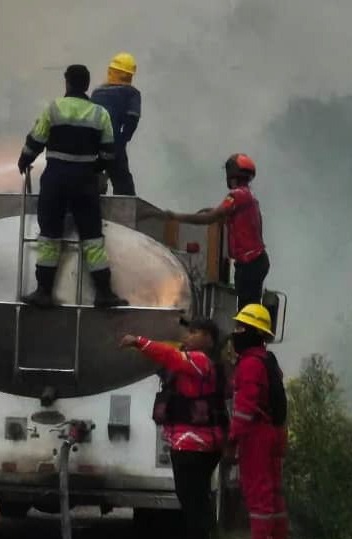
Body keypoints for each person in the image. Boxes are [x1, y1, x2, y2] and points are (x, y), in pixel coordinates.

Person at [17, 64, 128, 309]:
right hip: (85, 182)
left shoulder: (54, 109)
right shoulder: (100, 115)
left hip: (55, 180)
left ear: (67, 82)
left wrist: (24, 160)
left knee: (49, 236)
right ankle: (103, 293)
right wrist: (93, 167)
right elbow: (110, 153)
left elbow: (36, 140)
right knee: (92, 238)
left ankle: (44, 291)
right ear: (87, 85)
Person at [120, 318, 227, 539]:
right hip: (203, 445)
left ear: (208, 339)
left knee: (192, 503)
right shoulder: (208, 361)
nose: (187, 336)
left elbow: (169, 355)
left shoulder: (199, 360)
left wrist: (138, 341)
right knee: (198, 501)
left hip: (193, 446)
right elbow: (171, 348)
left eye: (194, 332)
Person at [166, 153, 269, 308]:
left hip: (250, 264)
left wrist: (177, 217)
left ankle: (247, 332)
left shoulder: (237, 195)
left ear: (232, 174)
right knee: (249, 306)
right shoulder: (249, 197)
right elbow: (224, 214)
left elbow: (212, 217)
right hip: (256, 262)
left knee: (246, 309)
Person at [228, 304, 288, 539]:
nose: (235, 332)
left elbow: (245, 408)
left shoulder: (251, 364)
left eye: (241, 327)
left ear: (253, 332)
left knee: (258, 494)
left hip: (257, 437)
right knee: (273, 493)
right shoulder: (267, 360)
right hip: (273, 432)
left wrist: (232, 439)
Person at [91, 52, 141, 195]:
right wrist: (122, 141)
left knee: (92, 178)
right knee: (123, 183)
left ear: (111, 71)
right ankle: (123, 214)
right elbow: (132, 119)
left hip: (93, 144)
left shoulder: (97, 93)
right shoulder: (131, 93)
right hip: (114, 143)